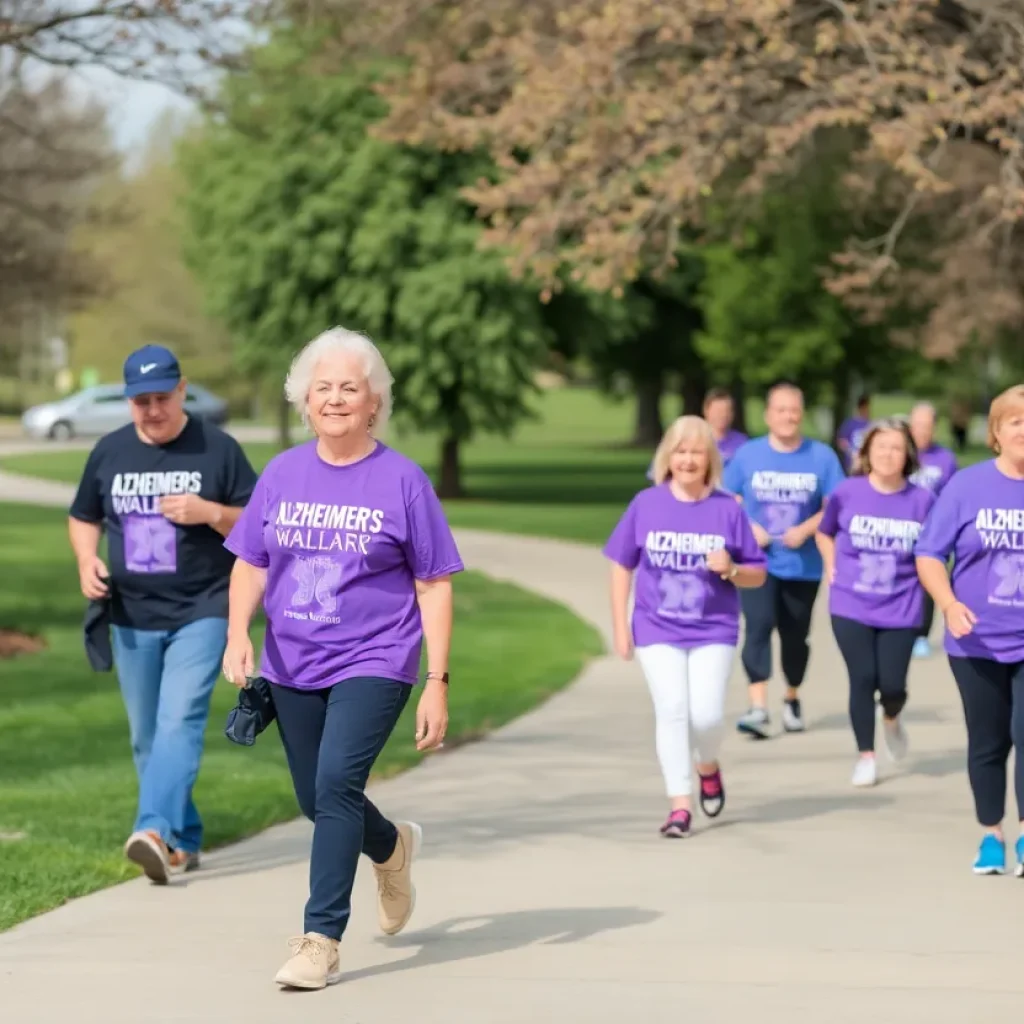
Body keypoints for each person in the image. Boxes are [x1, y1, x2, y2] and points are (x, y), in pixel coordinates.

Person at [221, 326, 463, 989]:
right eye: (322, 387)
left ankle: (319, 939)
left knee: (334, 789)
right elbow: (250, 561)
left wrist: (435, 681)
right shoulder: (282, 473)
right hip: (291, 662)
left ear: (373, 401)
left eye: (349, 388)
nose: (334, 399)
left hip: (376, 658)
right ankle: (391, 846)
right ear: (304, 400)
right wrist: (238, 632)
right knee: (318, 796)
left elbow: (433, 584)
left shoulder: (403, 481)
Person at [67, 344, 258, 881]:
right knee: (148, 737)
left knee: (180, 721)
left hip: (203, 607)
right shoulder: (109, 452)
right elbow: (83, 515)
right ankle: (183, 839)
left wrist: (212, 512)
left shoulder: (217, 450)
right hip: (130, 614)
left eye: (161, 398)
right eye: (139, 401)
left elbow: (261, 527)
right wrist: (86, 558)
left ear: (182, 389)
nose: (151, 410)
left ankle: (151, 828)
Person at [605, 416, 766, 838]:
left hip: (714, 628)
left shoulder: (727, 508)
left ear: (709, 458)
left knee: (707, 716)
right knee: (673, 710)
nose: (688, 460)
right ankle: (680, 804)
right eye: (680, 451)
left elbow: (758, 573)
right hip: (656, 627)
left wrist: (731, 568)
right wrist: (621, 628)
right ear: (667, 457)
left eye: (696, 451)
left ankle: (707, 766)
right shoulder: (646, 504)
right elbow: (621, 564)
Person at [915, 384, 1024, 876]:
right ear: (996, 432)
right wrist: (948, 602)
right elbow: (929, 553)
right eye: (1015, 421)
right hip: (975, 639)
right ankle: (990, 835)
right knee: (988, 741)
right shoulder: (967, 486)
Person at [816, 418, 934, 786]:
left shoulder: (923, 500)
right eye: (880, 446)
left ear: (908, 456)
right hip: (851, 602)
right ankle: (866, 755)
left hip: (902, 604)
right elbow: (825, 533)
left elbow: (933, 550)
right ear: (866, 453)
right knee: (863, 677)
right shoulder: (847, 492)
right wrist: (831, 565)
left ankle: (892, 719)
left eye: (896, 447)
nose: (887, 454)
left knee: (893, 686)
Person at [723, 382, 845, 738]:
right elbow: (727, 500)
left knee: (795, 636)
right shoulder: (748, 455)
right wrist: (750, 528)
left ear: (801, 414)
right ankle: (758, 707)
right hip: (756, 562)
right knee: (758, 625)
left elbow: (837, 505)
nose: (789, 416)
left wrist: (807, 529)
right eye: (781, 410)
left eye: (794, 410)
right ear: (768, 415)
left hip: (803, 565)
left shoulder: (821, 457)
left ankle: (791, 696)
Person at [907, 401, 959, 658]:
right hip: (900, 530)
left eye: (927, 426)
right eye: (917, 425)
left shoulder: (945, 459)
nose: (921, 431)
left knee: (928, 582)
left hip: (932, 533)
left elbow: (953, 497)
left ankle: (922, 635)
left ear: (934, 428)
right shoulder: (898, 452)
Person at [645, 387, 747, 482]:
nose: (723, 415)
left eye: (727, 411)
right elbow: (657, 472)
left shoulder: (742, 443)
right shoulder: (690, 437)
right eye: (718, 411)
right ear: (706, 410)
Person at [836, 393, 872, 471]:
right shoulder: (850, 423)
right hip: (851, 463)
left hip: (866, 463)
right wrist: (850, 451)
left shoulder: (871, 424)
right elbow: (841, 441)